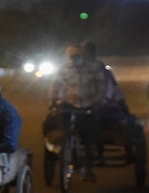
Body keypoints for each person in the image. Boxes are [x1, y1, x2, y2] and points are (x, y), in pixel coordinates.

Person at [46, 41, 109, 180]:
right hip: (67, 105)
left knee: (88, 139)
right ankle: (65, 154)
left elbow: (102, 86)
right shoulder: (63, 69)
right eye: (72, 56)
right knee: (62, 132)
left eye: (77, 55)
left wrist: (98, 101)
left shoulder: (93, 68)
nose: (75, 58)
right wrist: (52, 101)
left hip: (88, 106)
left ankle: (89, 170)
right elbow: (55, 85)